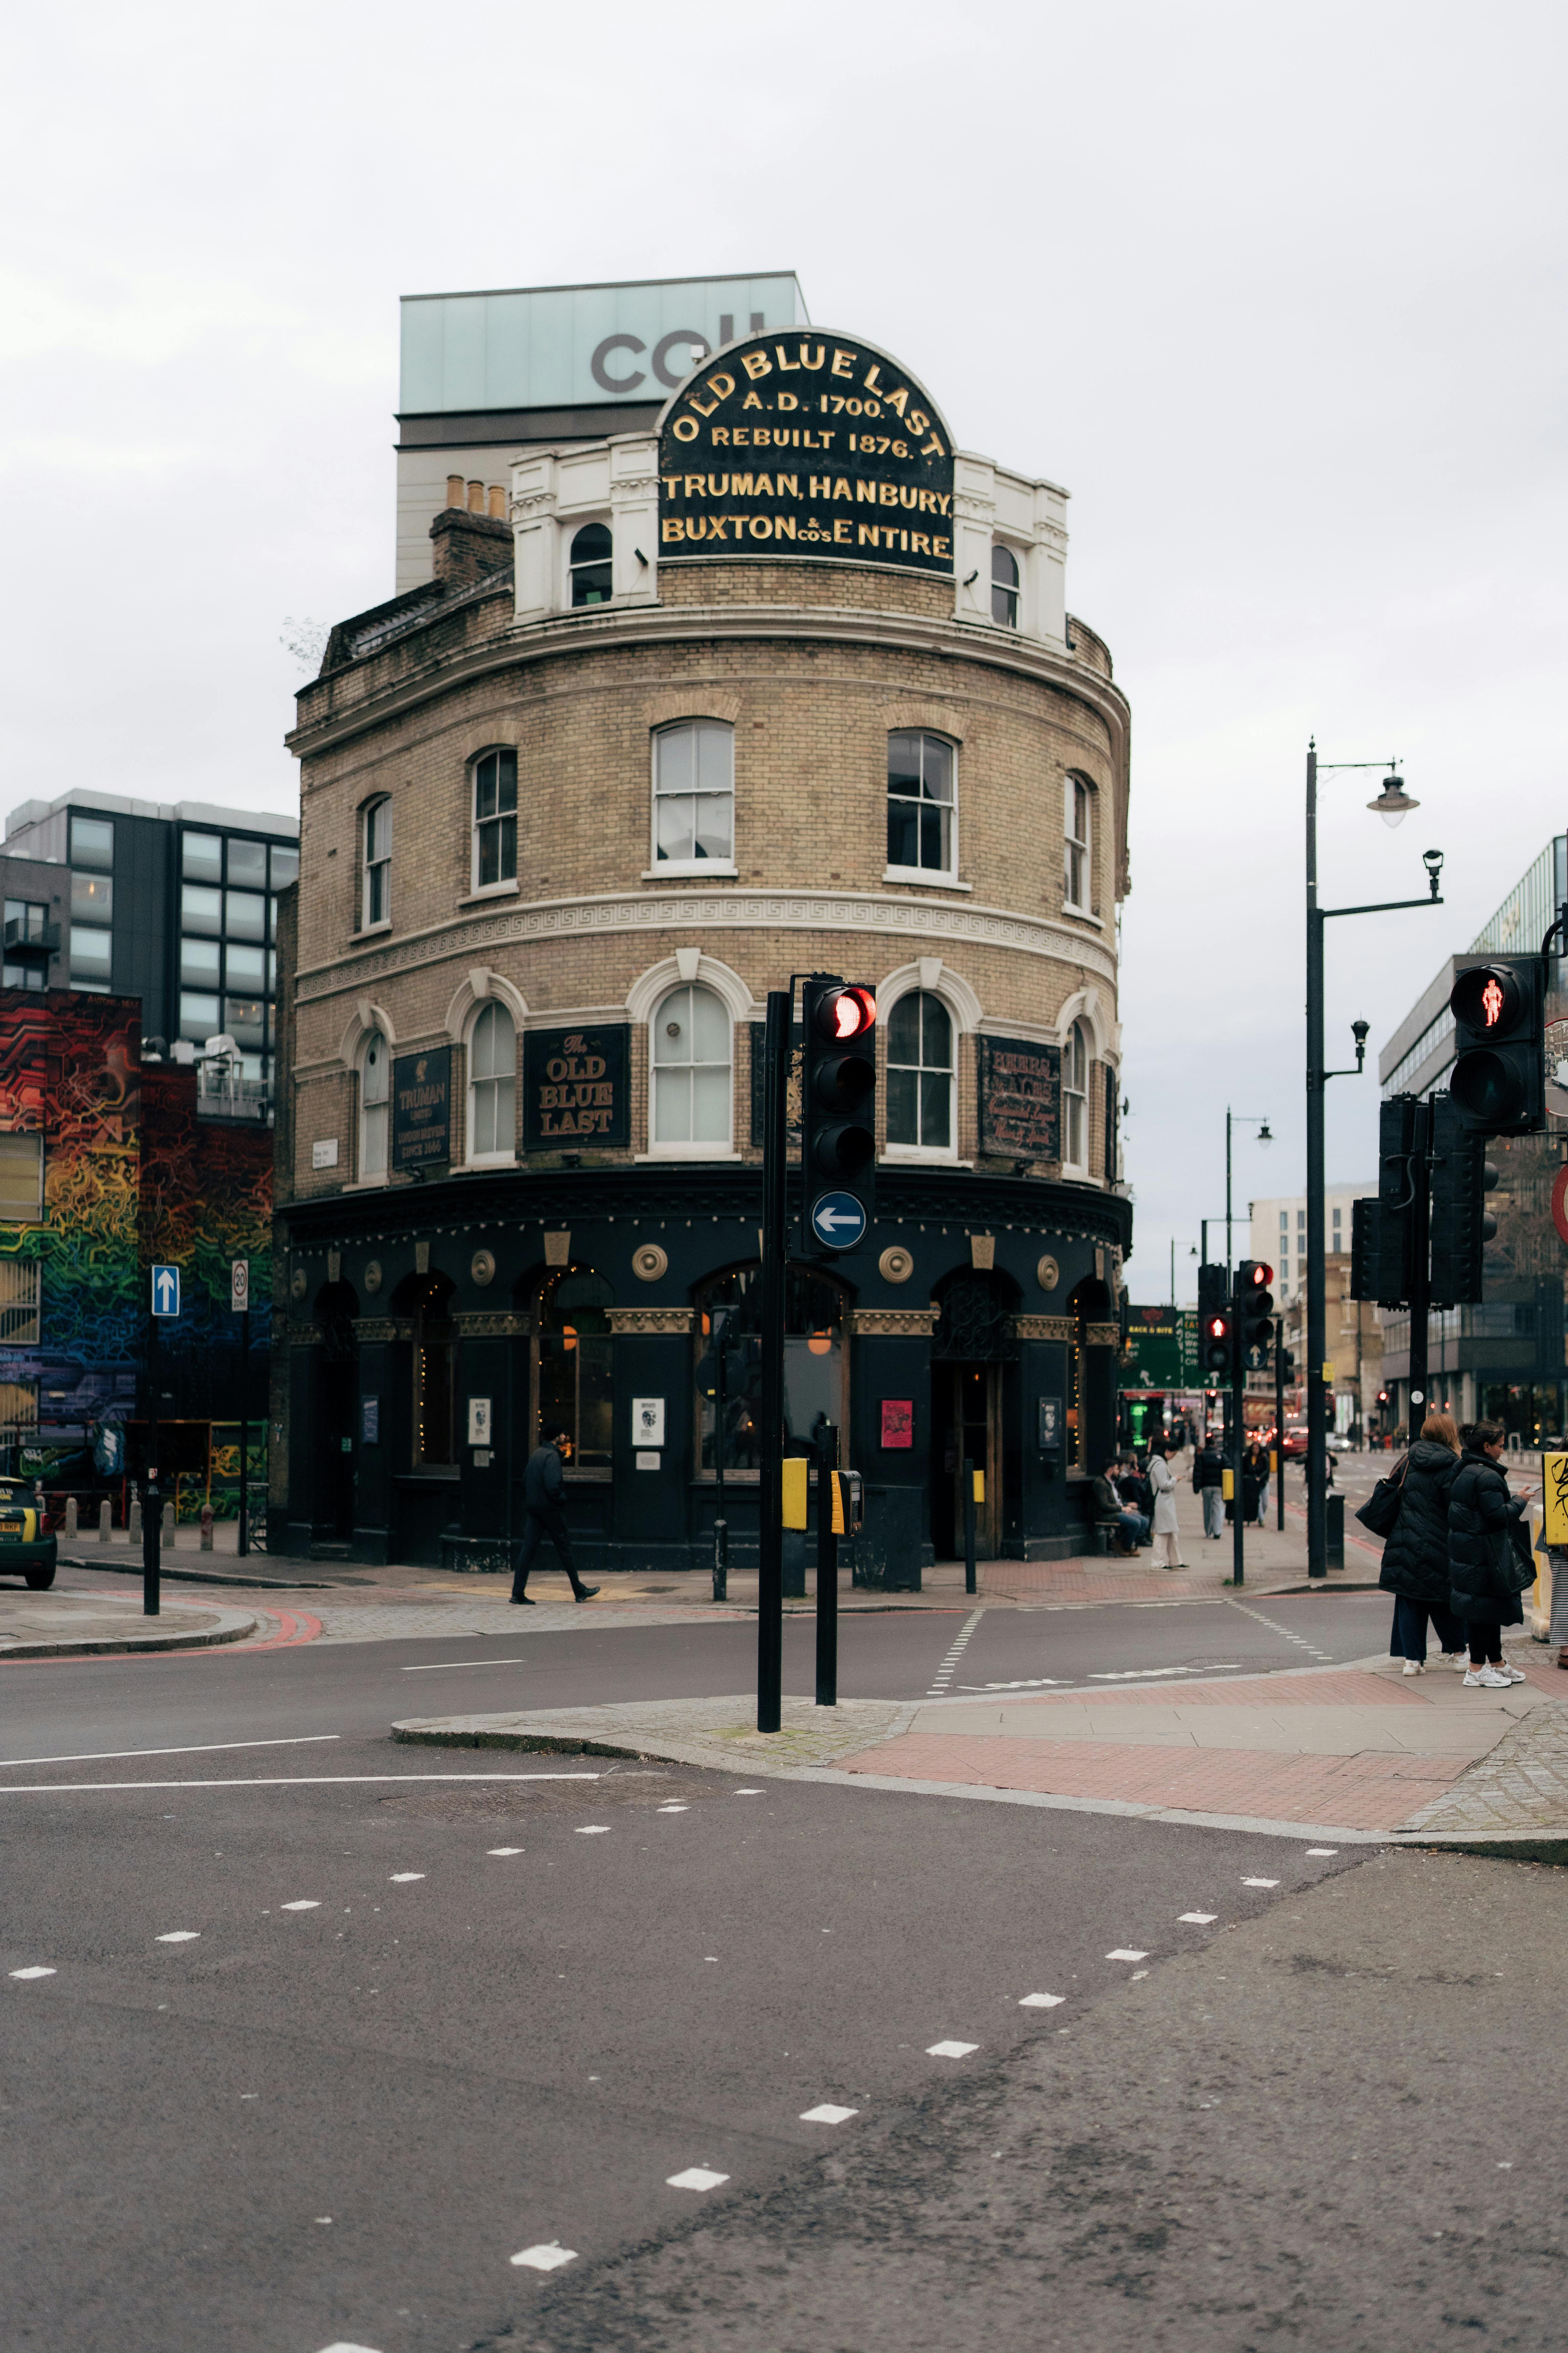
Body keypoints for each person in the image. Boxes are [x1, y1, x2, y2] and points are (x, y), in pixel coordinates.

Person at [1447, 1418, 1532, 1687]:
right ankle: (1475, 1670)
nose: (1503, 1450)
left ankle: (1496, 1663)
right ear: (1486, 1447)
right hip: (1482, 1554)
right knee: (1482, 1613)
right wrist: (1519, 1501)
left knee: (1489, 1608)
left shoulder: (1466, 1469)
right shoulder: (1486, 1476)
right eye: (1499, 1445)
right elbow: (1497, 1516)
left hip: (1473, 1551)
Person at [1379, 1410, 1464, 1675]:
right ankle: (1460, 1654)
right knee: (1442, 1599)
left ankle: (1411, 1662)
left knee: (1409, 1600)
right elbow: (1455, 1508)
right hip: (1438, 1541)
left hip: (1405, 1539)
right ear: (1450, 1434)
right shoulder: (1451, 1465)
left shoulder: (1408, 1459)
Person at [510, 1424, 601, 1605]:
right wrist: (562, 1499)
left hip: (534, 1510)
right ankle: (579, 1591)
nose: (565, 1436)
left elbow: (525, 1480)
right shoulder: (552, 1456)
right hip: (550, 1510)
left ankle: (517, 1593)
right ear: (556, 1437)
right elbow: (553, 1486)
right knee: (565, 1548)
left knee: (527, 1551)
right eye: (562, 1434)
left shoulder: (537, 1454)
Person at [1146, 1434, 1186, 1570]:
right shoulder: (1160, 1465)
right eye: (1173, 1454)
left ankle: (1175, 1561)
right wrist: (1175, 1480)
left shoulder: (1158, 1463)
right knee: (1163, 1533)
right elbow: (1164, 1485)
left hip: (1164, 1502)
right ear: (1167, 1451)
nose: (1173, 1457)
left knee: (1170, 1532)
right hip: (1163, 1502)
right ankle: (1159, 1562)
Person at [1094, 1457, 1149, 1552]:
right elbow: (1104, 1506)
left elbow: (1118, 1499)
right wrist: (1122, 1509)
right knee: (1136, 1523)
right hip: (1107, 1514)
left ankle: (1122, 1542)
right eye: (1116, 1469)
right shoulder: (1101, 1484)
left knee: (1144, 1522)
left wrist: (1127, 1505)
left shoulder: (1112, 1482)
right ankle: (1126, 1547)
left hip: (1117, 1510)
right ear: (1110, 1470)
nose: (1119, 1471)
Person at [1193, 1432, 1226, 1540]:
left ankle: (1208, 1530)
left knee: (1207, 1509)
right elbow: (1228, 1468)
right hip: (1218, 1487)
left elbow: (1198, 1472)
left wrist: (1196, 1488)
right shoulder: (1221, 1456)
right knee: (1218, 1508)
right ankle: (1218, 1531)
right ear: (1215, 1444)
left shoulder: (1202, 1456)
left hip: (1206, 1486)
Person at [1241, 1435, 1269, 1526]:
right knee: (1258, 1501)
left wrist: (1260, 1478)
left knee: (1265, 1503)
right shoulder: (1248, 1458)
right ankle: (1262, 1519)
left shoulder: (1264, 1458)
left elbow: (1266, 1470)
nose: (1255, 1450)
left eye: (1257, 1448)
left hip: (1263, 1482)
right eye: (1254, 1448)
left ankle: (1261, 1516)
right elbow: (1245, 1469)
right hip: (1252, 1483)